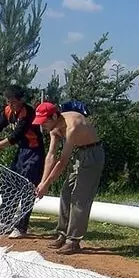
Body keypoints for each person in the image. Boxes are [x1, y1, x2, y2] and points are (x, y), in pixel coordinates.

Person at [33, 101, 106, 254]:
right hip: (80, 154)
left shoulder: (73, 126)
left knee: (80, 197)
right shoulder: (54, 127)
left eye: (44, 121)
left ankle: (73, 240)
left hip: (93, 155)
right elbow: (51, 156)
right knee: (66, 193)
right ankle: (62, 234)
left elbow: (63, 161)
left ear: (54, 116)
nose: (42, 125)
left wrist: (47, 184)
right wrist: (42, 182)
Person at [0, 85, 45, 239]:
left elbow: (13, 138)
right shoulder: (8, 110)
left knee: (27, 188)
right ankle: (4, 221)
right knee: (9, 182)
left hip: (34, 153)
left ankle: (21, 227)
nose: (10, 105)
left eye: (13, 102)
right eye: (8, 102)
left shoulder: (28, 113)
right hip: (21, 151)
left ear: (21, 100)